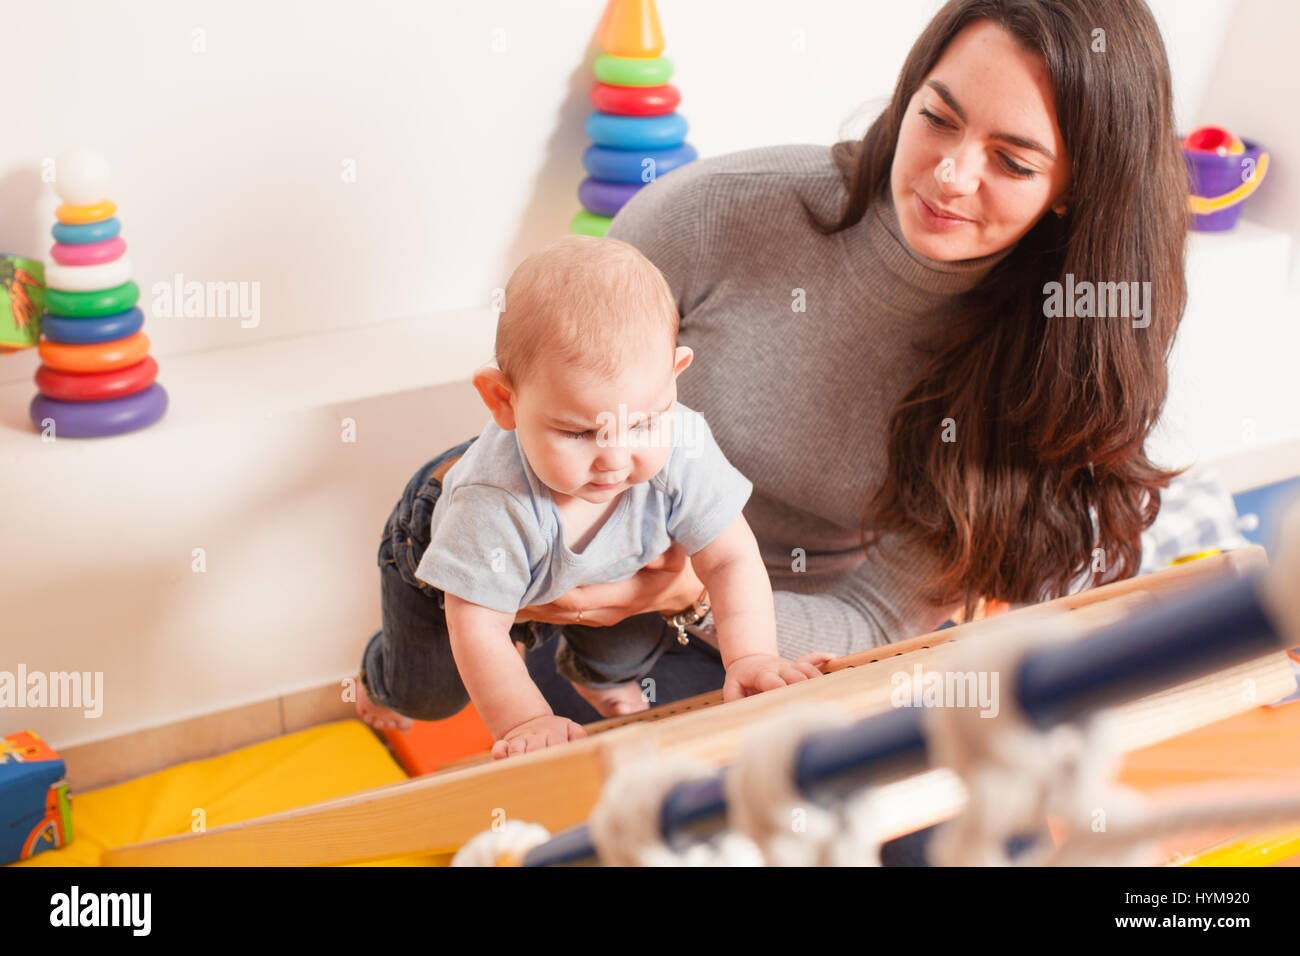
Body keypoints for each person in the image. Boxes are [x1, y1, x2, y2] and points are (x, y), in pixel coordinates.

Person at [356, 235, 826, 757]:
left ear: (675, 374)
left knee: (627, 654)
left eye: (644, 422)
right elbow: (479, 626)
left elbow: (732, 559)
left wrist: (752, 658)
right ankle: (379, 678)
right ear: (503, 401)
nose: (616, 460)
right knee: (429, 697)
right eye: (579, 433)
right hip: (446, 561)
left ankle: (591, 675)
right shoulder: (491, 500)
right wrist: (526, 722)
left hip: (597, 562)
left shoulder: (683, 445)